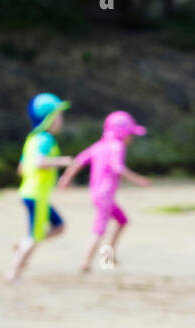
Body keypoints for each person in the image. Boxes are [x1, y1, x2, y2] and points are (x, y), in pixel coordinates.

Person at [57, 111, 152, 272]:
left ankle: (109, 255)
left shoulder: (99, 145)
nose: (132, 138)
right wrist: (139, 180)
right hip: (105, 194)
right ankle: (86, 263)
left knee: (122, 221)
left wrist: (65, 178)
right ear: (122, 133)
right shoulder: (117, 146)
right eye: (130, 134)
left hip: (97, 193)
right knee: (99, 229)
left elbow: (79, 161)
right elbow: (118, 168)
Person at [4, 92, 72, 283]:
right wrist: (63, 161)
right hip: (36, 195)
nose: (61, 120)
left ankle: (22, 245)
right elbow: (39, 162)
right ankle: (13, 273)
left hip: (29, 193)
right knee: (34, 236)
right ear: (48, 118)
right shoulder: (45, 140)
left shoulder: (32, 139)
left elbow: (20, 169)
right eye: (58, 115)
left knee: (59, 226)